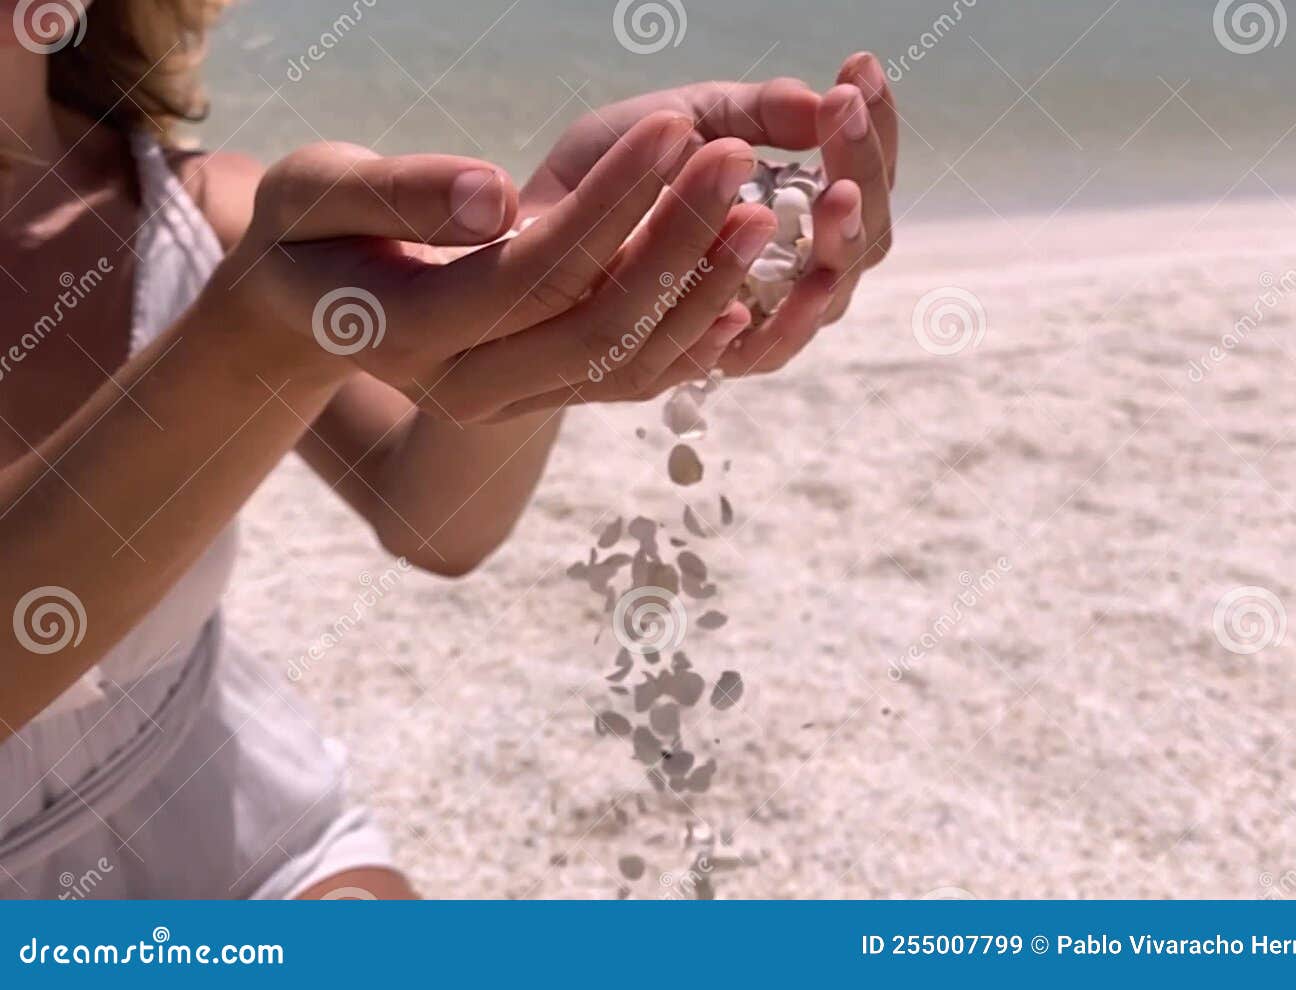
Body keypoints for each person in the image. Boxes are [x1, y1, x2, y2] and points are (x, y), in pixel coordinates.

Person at [0, 0, 897, 898]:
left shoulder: (199, 212)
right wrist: (256, 334)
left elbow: (435, 517)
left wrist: (547, 284)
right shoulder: (251, 266)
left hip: (209, 793)